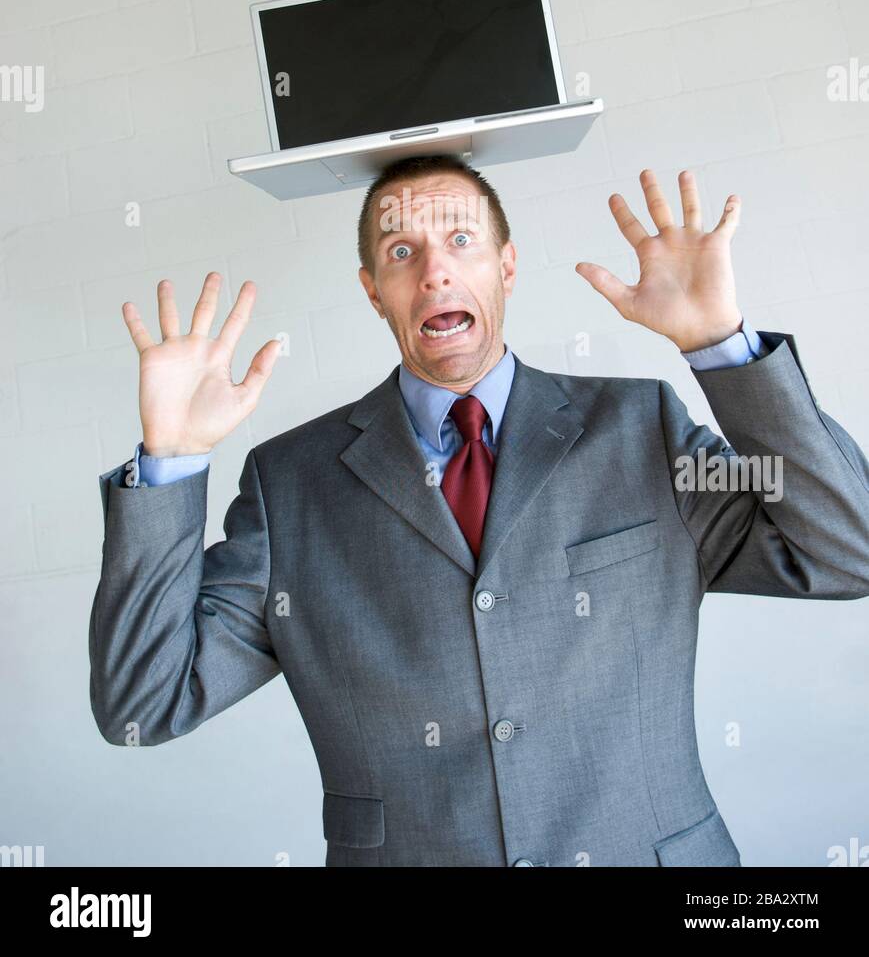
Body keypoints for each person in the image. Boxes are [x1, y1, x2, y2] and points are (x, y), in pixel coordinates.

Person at [89, 156, 869, 867]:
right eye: (401, 253)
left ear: (505, 266)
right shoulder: (289, 484)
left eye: (460, 240)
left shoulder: (642, 429)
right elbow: (142, 704)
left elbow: (848, 552)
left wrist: (718, 349)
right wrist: (171, 463)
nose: (433, 271)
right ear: (372, 289)